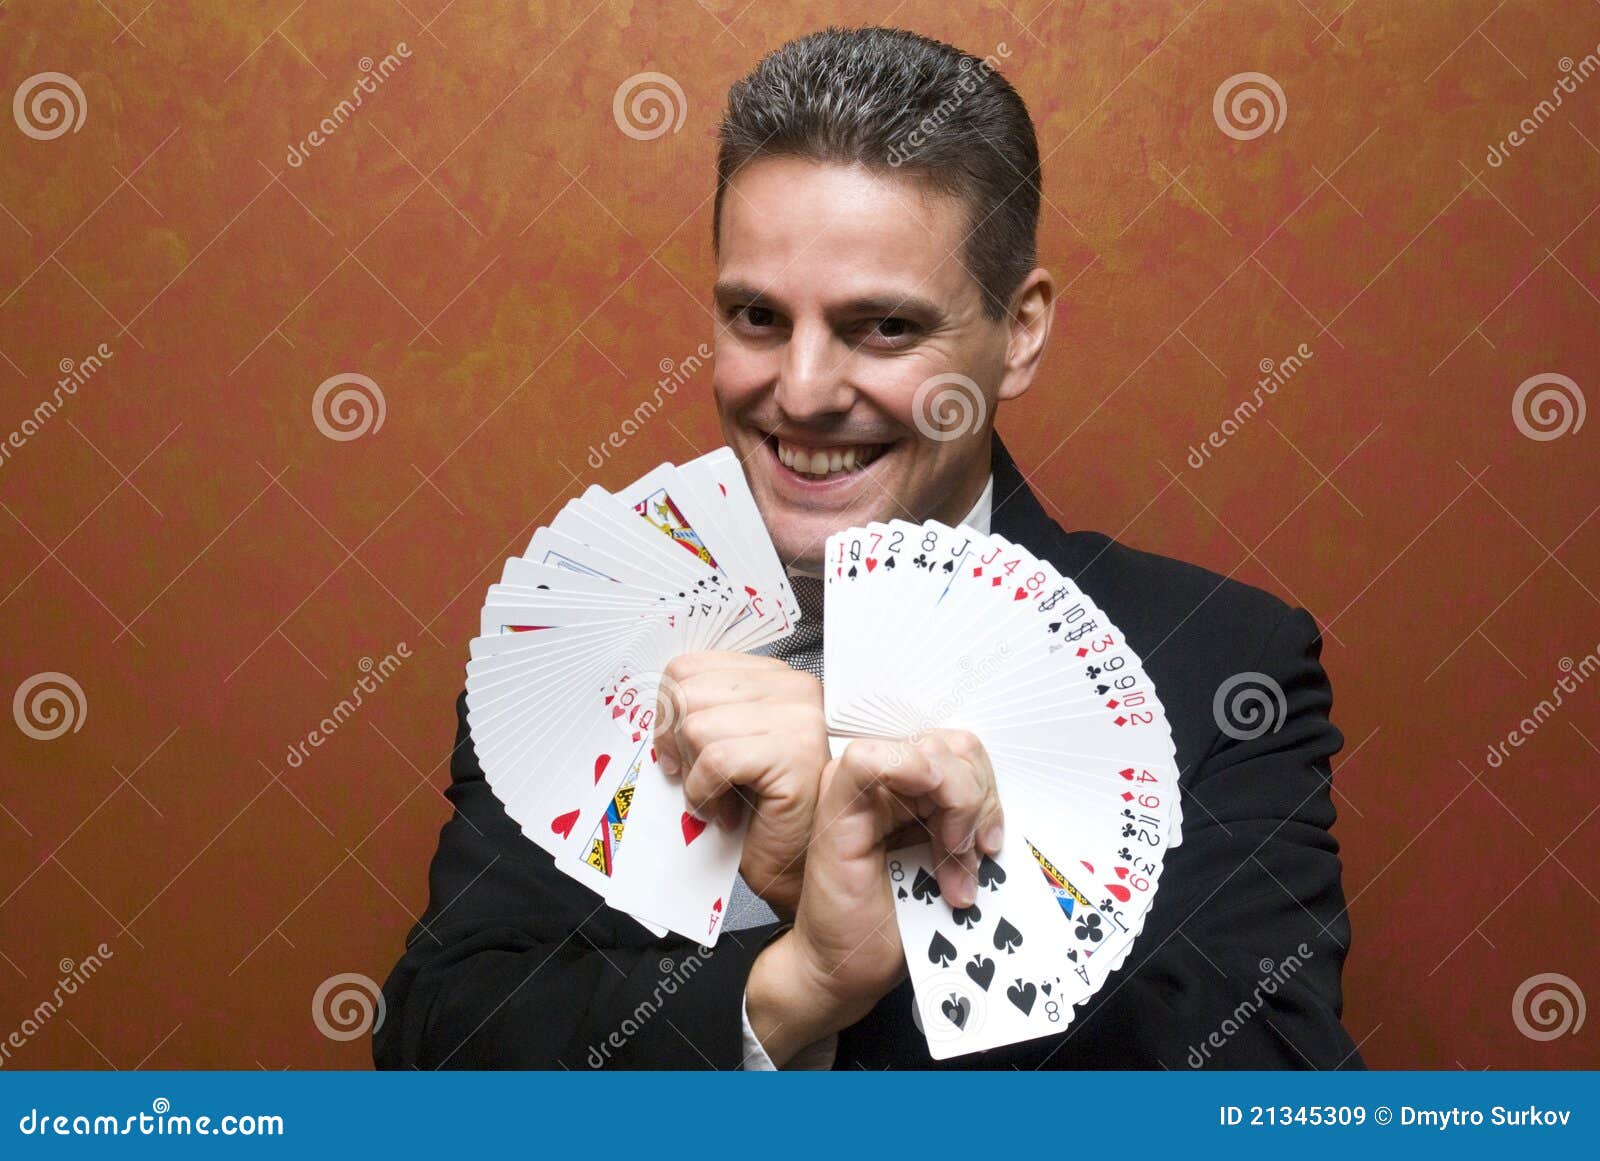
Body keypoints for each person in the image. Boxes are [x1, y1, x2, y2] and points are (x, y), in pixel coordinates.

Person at [374, 26, 1360, 1070]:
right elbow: (441, 1050)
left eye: (882, 328)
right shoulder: (581, 646)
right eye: (757, 316)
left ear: (1018, 331)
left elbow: (1261, 1093)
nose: (798, 391)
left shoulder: (1219, 667)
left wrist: (899, 889)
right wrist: (791, 992)